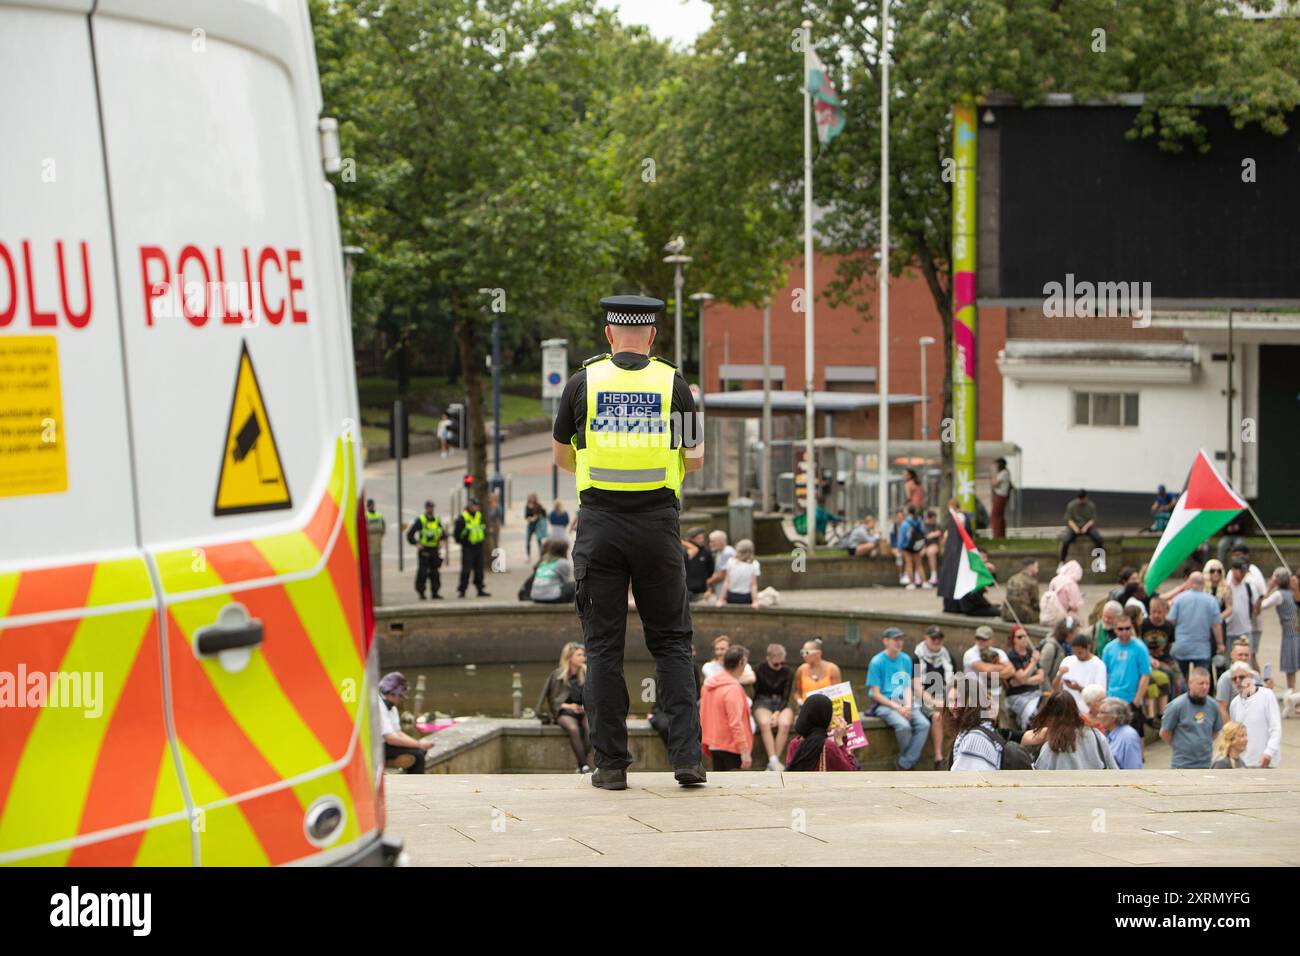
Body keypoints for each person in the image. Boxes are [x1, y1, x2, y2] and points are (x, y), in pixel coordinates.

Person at [867, 627, 929, 771]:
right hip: (885, 703)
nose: (899, 642)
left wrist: (907, 706)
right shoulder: (876, 662)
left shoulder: (906, 659)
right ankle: (908, 764)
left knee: (924, 724)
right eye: (895, 639)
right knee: (903, 726)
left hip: (905, 701)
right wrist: (898, 708)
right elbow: (875, 693)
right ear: (886, 641)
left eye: (901, 639)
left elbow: (907, 686)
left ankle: (904, 762)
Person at [535, 642, 592, 772]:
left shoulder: (587, 672)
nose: (583, 658)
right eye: (579, 655)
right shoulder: (558, 675)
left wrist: (584, 707)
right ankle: (584, 766)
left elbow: (594, 695)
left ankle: (581, 765)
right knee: (573, 729)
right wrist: (570, 706)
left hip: (584, 711)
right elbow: (553, 699)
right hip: (564, 711)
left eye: (583, 655)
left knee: (591, 730)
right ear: (569, 657)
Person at [1026, 691, 1118, 769]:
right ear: (1075, 710)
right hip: (1098, 788)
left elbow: (1040, 776)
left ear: (1050, 715)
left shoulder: (1052, 746)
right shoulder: (1097, 736)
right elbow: (1113, 768)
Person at [699, 644, 754, 771]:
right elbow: (736, 723)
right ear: (741, 662)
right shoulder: (733, 689)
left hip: (714, 744)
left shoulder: (708, 685)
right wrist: (744, 751)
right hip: (732, 747)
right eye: (745, 662)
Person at [1167, 571, 1224, 683]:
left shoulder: (1179, 599)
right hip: (1202, 649)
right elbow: (1216, 625)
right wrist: (1220, 644)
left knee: (1181, 680)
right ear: (1203, 583)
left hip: (1181, 646)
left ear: (1189, 582)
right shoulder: (1211, 600)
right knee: (1201, 679)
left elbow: (1170, 621)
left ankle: (1184, 697)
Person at [1159, 667, 1222, 769]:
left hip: (1205, 764)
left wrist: (1202, 743)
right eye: (1201, 683)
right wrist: (1181, 747)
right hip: (1181, 765)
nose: (1205, 687)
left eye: (1207, 683)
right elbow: (1164, 733)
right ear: (1190, 683)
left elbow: (1216, 731)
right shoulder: (1176, 705)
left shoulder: (1213, 706)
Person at [1101, 614, 1151, 737]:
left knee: (1135, 737)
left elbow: (1146, 675)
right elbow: (1104, 674)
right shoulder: (1108, 648)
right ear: (1114, 629)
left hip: (1131, 700)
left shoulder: (1140, 648)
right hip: (1112, 699)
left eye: (1127, 628)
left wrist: (1137, 701)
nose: (1124, 632)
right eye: (1121, 629)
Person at [913, 625, 955, 769]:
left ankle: (957, 753)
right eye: (933, 638)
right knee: (937, 716)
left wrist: (950, 699)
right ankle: (938, 758)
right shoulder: (916, 657)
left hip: (945, 696)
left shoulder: (947, 656)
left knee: (964, 711)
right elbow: (917, 687)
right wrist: (934, 701)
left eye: (940, 638)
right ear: (925, 638)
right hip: (924, 698)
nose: (937, 641)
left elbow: (953, 684)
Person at [784, 693, 860, 771]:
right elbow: (852, 771)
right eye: (830, 713)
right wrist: (839, 741)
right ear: (822, 717)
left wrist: (843, 738)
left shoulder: (794, 743)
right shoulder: (827, 746)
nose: (833, 716)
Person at [946, 672, 1006, 771]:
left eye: (958, 700)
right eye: (950, 701)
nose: (953, 706)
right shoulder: (979, 731)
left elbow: (965, 782)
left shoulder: (975, 738)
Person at [1227, 664, 1281, 768]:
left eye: (1242, 677)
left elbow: (1276, 728)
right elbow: (1235, 734)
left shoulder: (1267, 695)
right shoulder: (1234, 704)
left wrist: (1269, 753)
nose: (1238, 680)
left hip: (1266, 762)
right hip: (1243, 763)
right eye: (1234, 679)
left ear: (1250, 677)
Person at [378, 672, 433, 773]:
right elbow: (391, 739)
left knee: (421, 751)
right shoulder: (378, 705)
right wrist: (418, 744)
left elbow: (397, 733)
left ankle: (393, 763)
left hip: (385, 744)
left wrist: (418, 744)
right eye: (401, 696)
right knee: (418, 755)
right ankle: (416, 786)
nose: (400, 699)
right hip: (376, 746)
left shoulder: (391, 707)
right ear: (394, 694)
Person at [752, 644, 795, 771]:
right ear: (768, 658)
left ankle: (773, 761)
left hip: (781, 702)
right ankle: (774, 760)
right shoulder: (759, 669)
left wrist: (777, 713)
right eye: (776, 664)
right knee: (765, 723)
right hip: (762, 701)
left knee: (785, 724)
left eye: (782, 662)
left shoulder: (787, 671)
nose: (780, 666)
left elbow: (786, 696)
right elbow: (755, 693)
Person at [963, 625, 1014, 723]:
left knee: (1002, 723)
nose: (981, 641)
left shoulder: (999, 652)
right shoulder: (970, 653)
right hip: (977, 696)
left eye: (984, 639)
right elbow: (986, 670)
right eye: (978, 638)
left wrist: (993, 671)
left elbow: (1011, 671)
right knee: (980, 723)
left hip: (997, 695)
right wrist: (1002, 667)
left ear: (991, 640)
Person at [1053, 631, 1107, 718]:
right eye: (1074, 652)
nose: (1077, 655)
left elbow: (1100, 694)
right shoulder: (1067, 660)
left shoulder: (1098, 665)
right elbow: (1055, 688)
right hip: (1067, 711)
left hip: (1086, 713)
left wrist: (1079, 688)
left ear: (1088, 648)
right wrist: (1060, 675)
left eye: (1080, 652)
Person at [1261, 567, 1299, 693]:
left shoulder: (1279, 594)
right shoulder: (1294, 593)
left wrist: (1269, 588)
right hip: (1294, 632)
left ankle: (1292, 694)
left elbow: (1263, 605)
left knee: (1290, 668)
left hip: (1290, 634)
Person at [1141, 596, 1182, 708]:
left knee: (1178, 680)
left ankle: (1174, 703)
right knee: (1162, 677)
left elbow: (1169, 644)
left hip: (1164, 656)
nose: (1156, 615)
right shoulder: (1144, 624)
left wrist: (1163, 657)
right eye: (1153, 612)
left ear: (1165, 612)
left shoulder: (1168, 626)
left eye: (1159, 612)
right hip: (1147, 657)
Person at [1004, 625, 1044, 731]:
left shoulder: (1031, 652)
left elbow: (1041, 677)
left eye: (1026, 636)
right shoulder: (1012, 656)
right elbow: (1021, 677)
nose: (1024, 639)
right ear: (1013, 640)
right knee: (1033, 715)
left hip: (1035, 693)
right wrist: (1033, 663)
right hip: (1017, 695)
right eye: (1019, 637)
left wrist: (1023, 680)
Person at [1215, 638, 1264, 723]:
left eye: (1246, 655)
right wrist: (1232, 730)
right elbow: (1222, 708)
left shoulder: (1255, 676)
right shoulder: (1226, 678)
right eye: (1240, 655)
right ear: (1232, 655)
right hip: (1235, 723)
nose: (1243, 658)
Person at [406, 500, 446, 600]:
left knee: (435, 572)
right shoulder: (421, 520)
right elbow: (410, 534)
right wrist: (416, 543)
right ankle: (421, 592)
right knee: (423, 573)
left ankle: (435, 592)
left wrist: (442, 541)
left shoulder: (437, 520)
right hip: (424, 550)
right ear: (426, 508)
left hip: (434, 550)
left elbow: (442, 533)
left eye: (432, 507)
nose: (431, 509)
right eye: (429, 507)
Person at [453, 498, 489, 597]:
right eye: (475, 506)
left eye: (477, 506)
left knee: (479, 569)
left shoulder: (479, 515)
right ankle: (462, 590)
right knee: (466, 570)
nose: (476, 508)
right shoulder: (463, 517)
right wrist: (465, 540)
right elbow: (457, 535)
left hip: (478, 546)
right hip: (468, 547)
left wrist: (483, 537)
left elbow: (482, 527)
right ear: (470, 506)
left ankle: (480, 588)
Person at [1095, 697, 1143, 769]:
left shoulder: (1128, 736)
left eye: (1102, 712)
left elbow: (1133, 769)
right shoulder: (1107, 734)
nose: (1098, 716)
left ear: (1114, 717)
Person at [793, 639, 842, 707]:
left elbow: (838, 694)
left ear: (818, 653)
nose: (804, 655)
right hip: (806, 708)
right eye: (802, 652)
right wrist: (800, 701)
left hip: (826, 708)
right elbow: (797, 693)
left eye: (806, 652)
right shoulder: (801, 669)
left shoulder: (833, 669)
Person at [1059, 489, 1103, 563]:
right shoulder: (1071, 505)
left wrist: (1086, 527)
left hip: (1087, 527)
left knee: (1098, 539)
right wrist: (1075, 528)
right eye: (1080, 499)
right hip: (1074, 527)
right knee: (1066, 540)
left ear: (1086, 498)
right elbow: (1069, 519)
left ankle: (1099, 559)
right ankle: (1062, 561)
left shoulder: (1091, 505)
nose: (1081, 500)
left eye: (1083, 499)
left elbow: (1093, 519)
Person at [716, 538, 760, 607]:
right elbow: (753, 585)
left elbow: (727, 582)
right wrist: (755, 601)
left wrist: (721, 599)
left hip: (731, 596)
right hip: (746, 597)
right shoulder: (755, 564)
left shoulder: (730, 561)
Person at [529, 539, 575, 604]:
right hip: (551, 597)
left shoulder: (544, 561)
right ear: (563, 551)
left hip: (535, 596)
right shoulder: (562, 563)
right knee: (575, 586)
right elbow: (565, 582)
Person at [1041, 559, 1085, 626]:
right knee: (1080, 621)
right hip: (1064, 614)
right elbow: (1074, 605)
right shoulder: (1071, 583)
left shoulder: (1055, 579)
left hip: (1051, 612)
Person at [1002, 558, 1041, 625]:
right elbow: (1035, 603)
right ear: (1030, 567)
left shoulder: (1012, 578)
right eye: (1036, 566)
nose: (1038, 569)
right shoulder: (1031, 581)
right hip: (1023, 616)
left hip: (1008, 614)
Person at [681, 526, 714, 603]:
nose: (702, 540)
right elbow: (694, 550)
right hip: (687, 591)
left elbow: (710, 572)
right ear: (691, 539)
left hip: (702, 592)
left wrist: (709, 589)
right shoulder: (685, 553)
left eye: (703, 538)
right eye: (699, 538)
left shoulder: (706, 553)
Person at [706, 530, 735, 600]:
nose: (710, 544)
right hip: (721, 590)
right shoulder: (720, 552)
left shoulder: (727, 553)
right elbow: (717, 572)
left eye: (712, 541)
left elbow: (722, 575)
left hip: (727, 591)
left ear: (720, 541)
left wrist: (707, 582)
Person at [918, 510, 942, 587]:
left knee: (930, 552)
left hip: (934, 544)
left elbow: (940, 534)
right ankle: (917, 576)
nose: (934, 520)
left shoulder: (937, 525)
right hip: (924, 545)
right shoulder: (923, 526)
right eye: (933, 519)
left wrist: (933, 535)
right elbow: (924, 537)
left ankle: (934, 575)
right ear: (929, 518)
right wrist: (932, 535)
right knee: (917, 555)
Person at [990, 457, 1012, 538]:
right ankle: (1001, 535)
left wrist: (993, 473)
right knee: (999, 516)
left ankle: (997, 535)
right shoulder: (1005, 472)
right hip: (1001, 495)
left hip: (1000, 496)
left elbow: (994, 483)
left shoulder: (1004, 473)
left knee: (995, 516)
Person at [523, 492, 547, 559]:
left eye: (533, 497)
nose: (532, 499)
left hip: (537, 525)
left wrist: (536, 517)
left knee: (539, 541)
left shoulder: (538, 506)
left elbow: (543, 514)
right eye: (530, 497)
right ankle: (528, 555)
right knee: (528, 540)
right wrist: (530, 518)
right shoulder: (527, 506)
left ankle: (541, 555)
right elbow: (526, 516)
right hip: (530, 525)